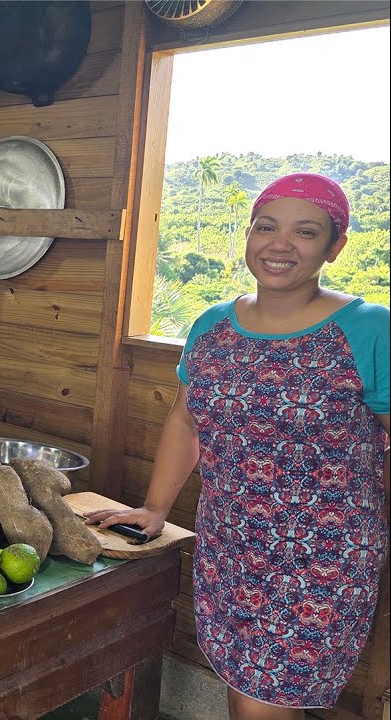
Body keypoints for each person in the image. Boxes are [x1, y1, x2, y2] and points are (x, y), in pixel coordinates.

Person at [85, 173, 390, 720]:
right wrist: (156, 508)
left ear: (335, 246)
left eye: (306, 231)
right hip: (229, 544)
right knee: (246, 689)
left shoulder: (369, 330)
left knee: (261, 704)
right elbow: (186, 420)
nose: (280, 244)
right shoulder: (212, 326)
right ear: (248, 233)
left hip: (320, 558)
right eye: (266, 226)